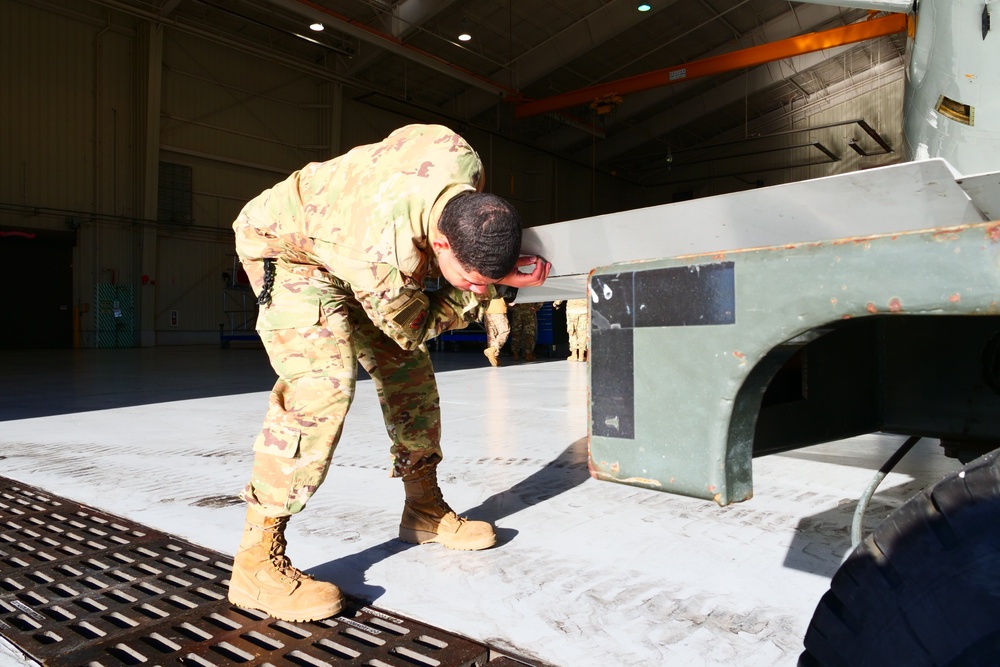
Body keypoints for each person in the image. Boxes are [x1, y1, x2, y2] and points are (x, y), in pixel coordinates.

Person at [229, 124, 550, 623]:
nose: (476, 285)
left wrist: (487, 272)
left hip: (350, 236)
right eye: (470, 275)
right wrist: (486, 290)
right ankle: (255, 560)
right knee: (323, 388)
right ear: (441, 243)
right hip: (289, 250)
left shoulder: (462, 160)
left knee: (410, 376)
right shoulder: (382, 256)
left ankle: (423, 508)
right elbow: (414, 328)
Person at [482, 296, 509, 367]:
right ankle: (493, 349)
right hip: (498, 308)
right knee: (504, 330)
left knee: (491, 334)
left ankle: (494, 357)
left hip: (487, 310)